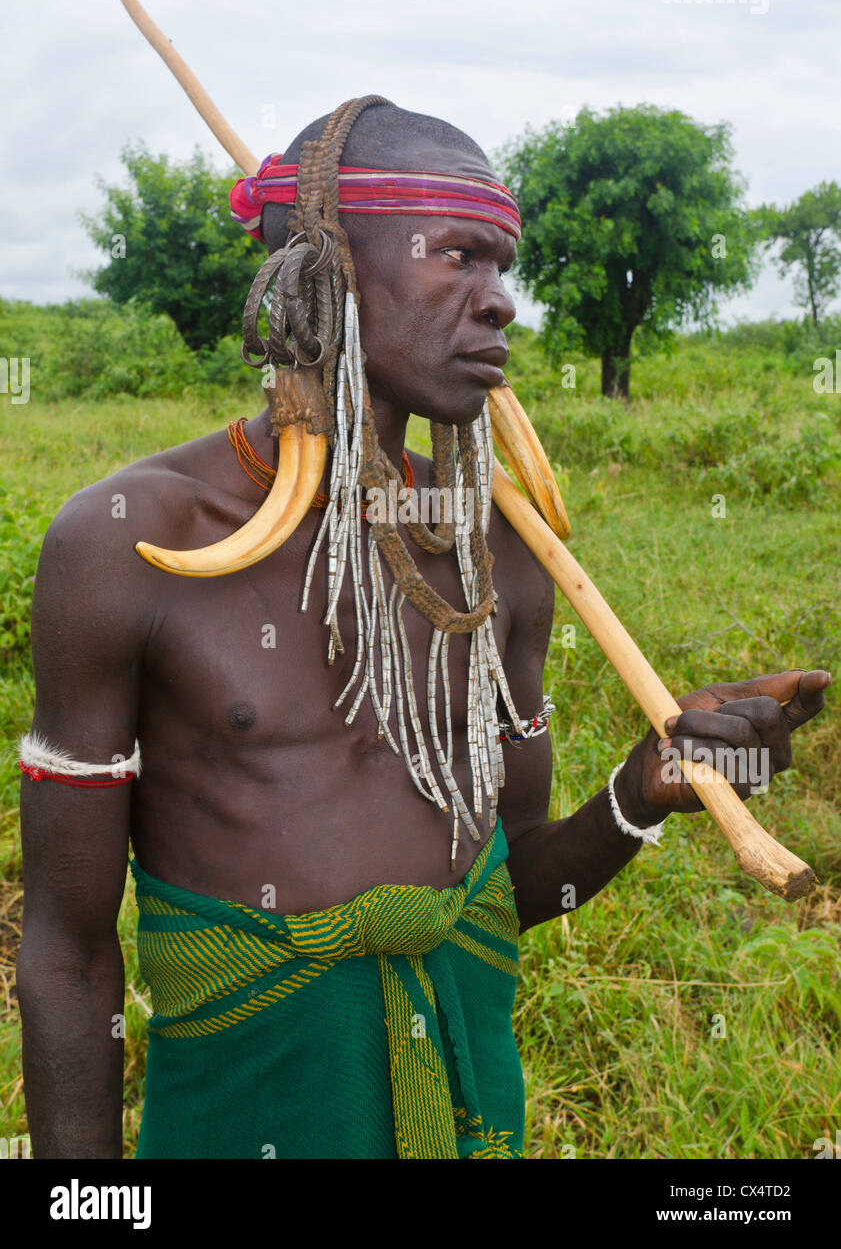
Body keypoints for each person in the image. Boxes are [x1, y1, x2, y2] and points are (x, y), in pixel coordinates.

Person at [16, 98, 829, 1160]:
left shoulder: (503, 557)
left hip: (462, 1100)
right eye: (458, 258)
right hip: (239, 1112)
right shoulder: (129, 542)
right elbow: (68, 950)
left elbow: (514, 885)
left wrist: (643, 791)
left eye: (503, 268)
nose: (498, 306)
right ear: (330, 272)